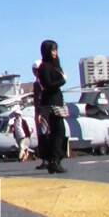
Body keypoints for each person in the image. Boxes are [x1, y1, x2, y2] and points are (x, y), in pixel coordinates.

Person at [38, 40, 68, 174]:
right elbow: (48, 85)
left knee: (59, 132)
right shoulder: (44, 67)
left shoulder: (55, 65)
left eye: (56, 50)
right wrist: (62, 81)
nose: (55, 53)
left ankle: (54, 161)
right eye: (53, 50)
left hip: (57, 102)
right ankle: (54, 160)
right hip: (51, 103)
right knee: (58, 132)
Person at [31, 60, 49, 170]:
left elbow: (39, 99)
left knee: (43, 136)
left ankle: (46, 160)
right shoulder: (44, 82)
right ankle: (46, 160)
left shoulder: (39, 83)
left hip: (42, 113)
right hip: (44, 112)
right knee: (43, 136)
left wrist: (39, 113)